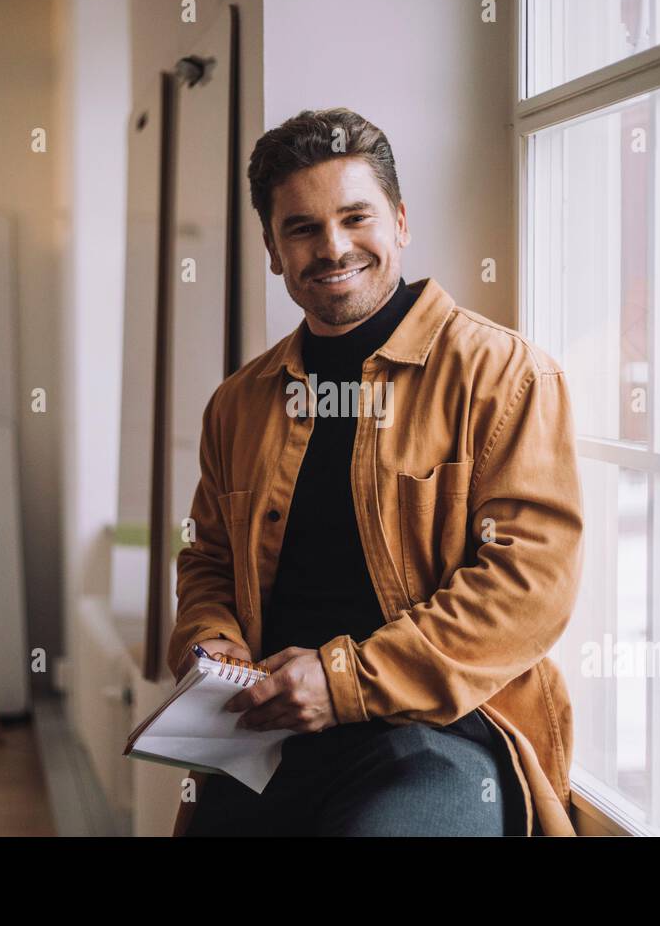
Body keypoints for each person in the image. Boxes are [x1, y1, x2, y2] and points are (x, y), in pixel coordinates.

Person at [167, 107, 583, 836]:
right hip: (264, 737)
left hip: (444, 736)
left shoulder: (506, 375)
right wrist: (211, 641)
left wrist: (342, 683)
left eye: (355, 217)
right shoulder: (237, 404)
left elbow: (529, 589)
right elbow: (207, 560)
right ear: (272, 249)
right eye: (301, 229)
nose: (333, 248)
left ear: (399, 222)